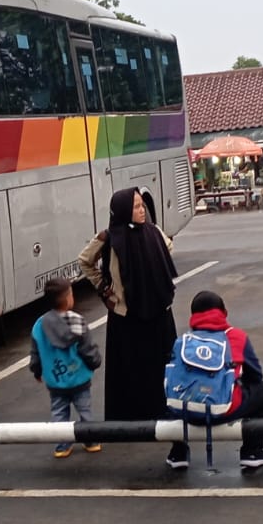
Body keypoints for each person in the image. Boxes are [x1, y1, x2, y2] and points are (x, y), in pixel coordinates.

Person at [78, 188, 178, 421]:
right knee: (131, 367)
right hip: (126, 314)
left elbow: (168, 248)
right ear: (123, 209)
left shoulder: (153, 232)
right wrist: (103, 287)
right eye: (136, 207)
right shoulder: (110, 237)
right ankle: (131, 416)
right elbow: (85, 260)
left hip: (159, 310)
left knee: (160, 364)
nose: (142, 210)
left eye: (142, 205)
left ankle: (163, 409)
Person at [164, 290, 263, 469]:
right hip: (221, 411)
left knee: (173, 392)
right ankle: (252, 451)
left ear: (193, 316)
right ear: (224, 313)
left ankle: (178, 454)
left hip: (184, 413)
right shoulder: (236, 337)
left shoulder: (182, 341)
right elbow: (255, 375)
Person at [28, 277, 103, 458]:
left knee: (59, 413)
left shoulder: (39, 325)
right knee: (85, 411)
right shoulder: (78, 322)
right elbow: (87, 349)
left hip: (55, 380)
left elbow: (35, 352)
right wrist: (95, 362)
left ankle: (62, 445)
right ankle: (90, 440)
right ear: (68, 298)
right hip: (79, 378)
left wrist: (37, 371)